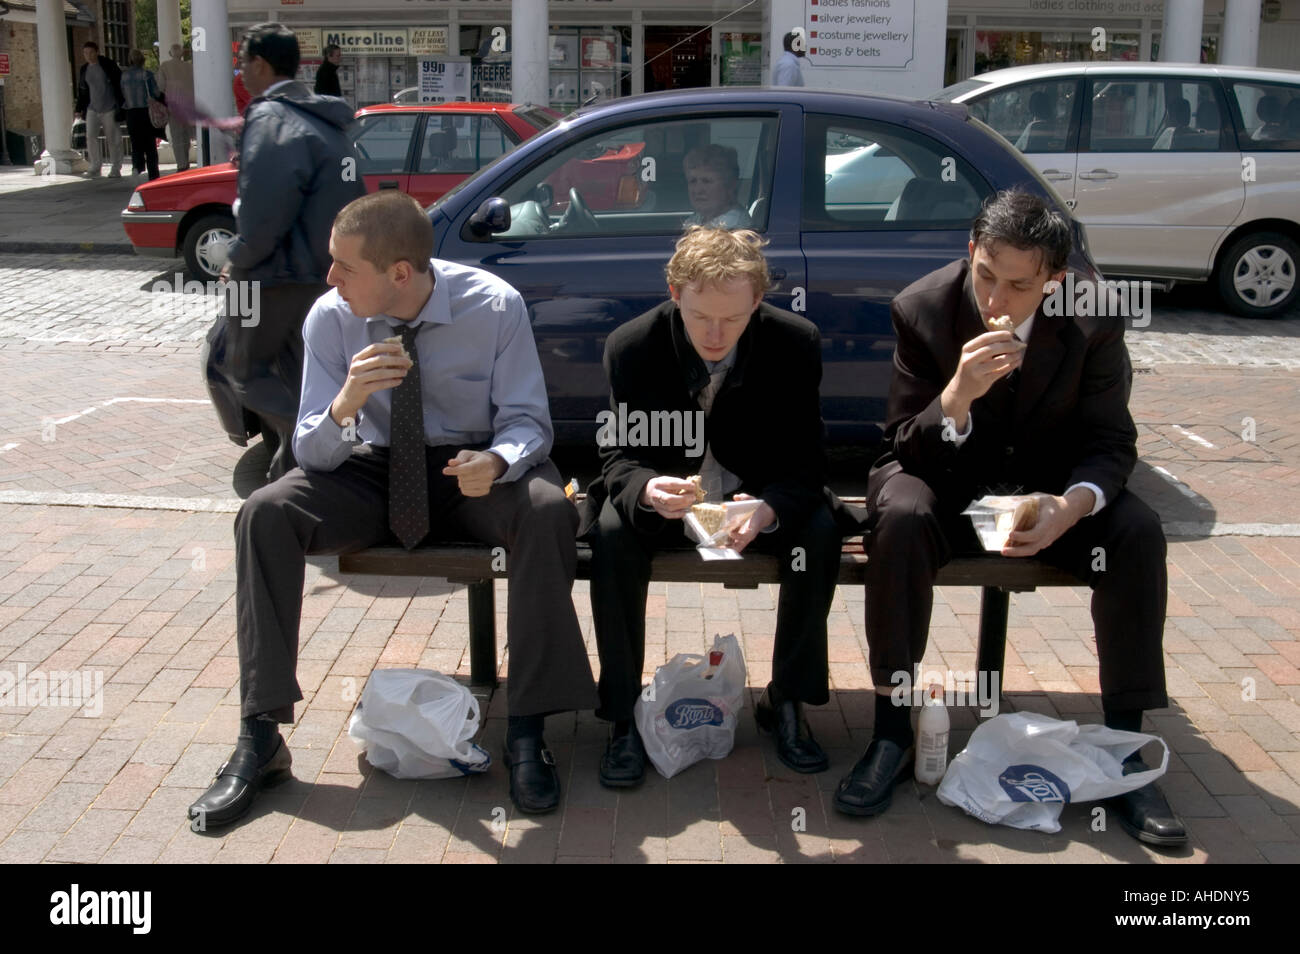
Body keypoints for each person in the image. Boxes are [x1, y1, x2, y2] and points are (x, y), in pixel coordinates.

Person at [187, 191, 598, 829]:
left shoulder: (493, 306)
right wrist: (346, 403)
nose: (329, 280)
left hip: (469, 469)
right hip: (370, 468)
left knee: (545, 508)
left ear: (399, 273)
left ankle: (526, 729)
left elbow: (528, 424)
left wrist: (497, 461)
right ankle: (260, 735)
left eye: (344, 267)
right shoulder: (330, 317)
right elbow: (312, 454)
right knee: (264, 513)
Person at [836, 189, 1186, 848]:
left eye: (1019, 286)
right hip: (946, 481)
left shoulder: (1096, 317)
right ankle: (890, 731)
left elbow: (1111, 442)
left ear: (1054, 282)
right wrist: (957, 397)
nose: (995, 301)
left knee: (1137, 532)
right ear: (970, 252)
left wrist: (1068, 506)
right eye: (984, 274)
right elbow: (903, 443)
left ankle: (1127, 749)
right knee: (901, 517)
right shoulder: (923, 309)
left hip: (1047, 497)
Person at [582, 227, 844, 787]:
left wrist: (771, 507)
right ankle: (623, 712)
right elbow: (617, 454)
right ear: (676, 294)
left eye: (734, 318)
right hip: (669, 507)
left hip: (753, 506)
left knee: (817, 531)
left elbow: (808, 459)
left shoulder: (795, 341)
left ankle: (788, 700)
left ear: (758, 301)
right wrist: (648, 489)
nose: (716, 333)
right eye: (702, 316)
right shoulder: (632, 345)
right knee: (610, 532)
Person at [219, 23, 366, 483]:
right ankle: (298, 470)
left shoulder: (271, 118)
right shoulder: (327, 120)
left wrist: (237, 258)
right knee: (306, 374)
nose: (240, 74)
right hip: (323, 275)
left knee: (241, 371)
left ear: (260, 65)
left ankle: (319, 438)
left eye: (242, 64)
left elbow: (264, 217)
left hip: (271, 277)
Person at [74, 41, 124, 179]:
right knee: (90, 137)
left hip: (109, 107)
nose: (88, 56)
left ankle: (116, 167)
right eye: (85, 53)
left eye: (90, 52)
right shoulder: (84, 69)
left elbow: (119, 83)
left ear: (97, 52)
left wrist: (120, 103)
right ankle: (95, 165)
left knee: (113, 139)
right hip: (92, 108)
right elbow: (82, 90)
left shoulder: (107, 65)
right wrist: (79, 108)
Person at [682, 144, 752, 229]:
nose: (697, 190)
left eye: (706, 181)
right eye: (692, 181)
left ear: (729, 185)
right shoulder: (699, 217)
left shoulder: (733, 228)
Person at [119, 50, 162, 180]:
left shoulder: (124, 76)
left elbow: (122, 94)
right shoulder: (147, 74)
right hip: (146, 112)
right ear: (142, 60)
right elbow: (155, 93)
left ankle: (136, 166)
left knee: (136, 143)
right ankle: (153, 174)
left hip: (131, 113)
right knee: (150, 144)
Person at [157, 44, 195, 171]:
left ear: (170, 53)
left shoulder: (165, 66)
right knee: (189, 134)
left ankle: (181, 163)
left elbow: (160, 86)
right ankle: (186, 159)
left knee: (177, 135)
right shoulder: (190, 67)